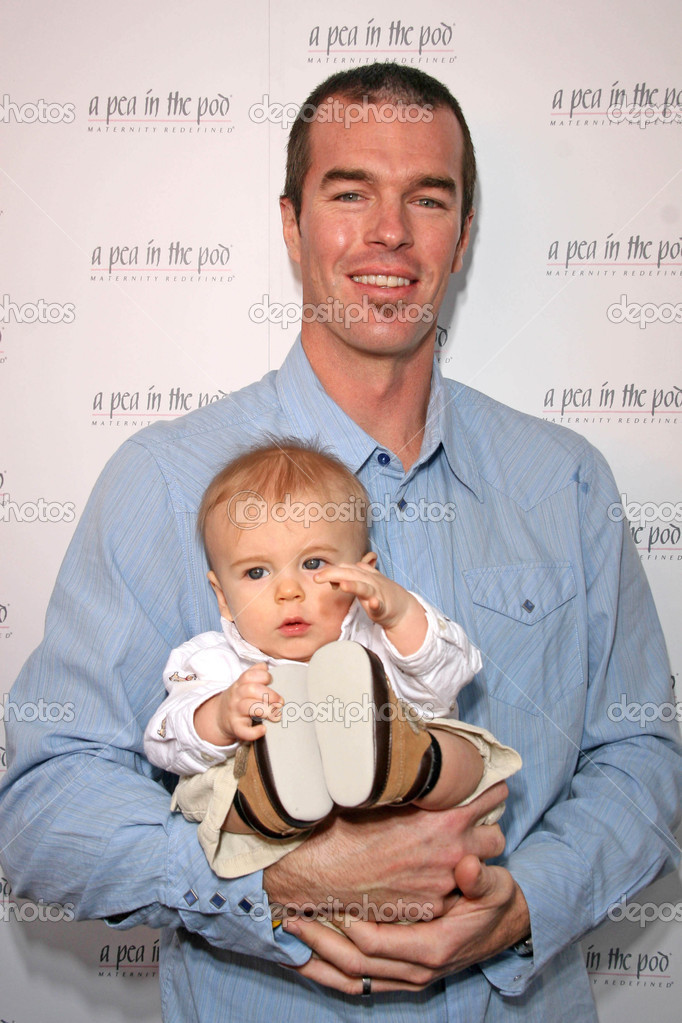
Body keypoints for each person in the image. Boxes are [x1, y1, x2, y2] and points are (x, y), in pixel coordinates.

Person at [0, 61, 679, 1023]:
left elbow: (642, 751)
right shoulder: (163, 480)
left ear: (464, 235)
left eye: (427, 198)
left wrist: (526, 903)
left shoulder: (565, 482)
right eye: (349, 191)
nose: (389, 233)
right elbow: (44, 804)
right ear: (291, 223)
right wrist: (274, 881)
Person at [143, 442, 519, 875]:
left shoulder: (378, 641)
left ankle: (403, 763)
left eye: (314, 563)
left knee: (464, 748)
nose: (289, 592)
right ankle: (278, 798)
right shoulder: (212, 661)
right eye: (257, 573)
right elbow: (162, 739)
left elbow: (447, 681)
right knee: (206, 790)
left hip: (406, 819)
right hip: (286, 857)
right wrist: (220, 716)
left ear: (365, 573)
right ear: (222, 597)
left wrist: (402, 615)